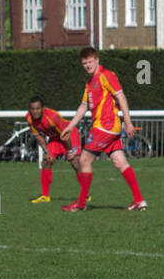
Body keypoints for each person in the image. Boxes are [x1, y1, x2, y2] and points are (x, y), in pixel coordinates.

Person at [59, 49, 146, 212]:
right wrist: (70, 126)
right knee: (120, 162)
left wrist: (128, 123)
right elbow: (84, 106)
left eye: (90, 61)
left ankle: (81, 203)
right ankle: (139, 200)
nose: (87, 65)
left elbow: (121, 97)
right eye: (84, 63)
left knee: (84, 160)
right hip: (108, 128)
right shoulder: (89, 82)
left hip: (105, 127)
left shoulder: (107, 75)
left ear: (97, 60)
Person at [25, 95, 80, 203]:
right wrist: (46, 152)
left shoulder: (52, 117)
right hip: (55, 138)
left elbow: (66, 135)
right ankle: (45, 197)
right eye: (33, 109)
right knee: (46, 161)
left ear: (43, 108)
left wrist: (69, 152)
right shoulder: (29, 118)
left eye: (37, 108)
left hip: (69, 134)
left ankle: (85, 194)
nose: (35, 111)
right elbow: (38, 136)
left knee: (75, 162)